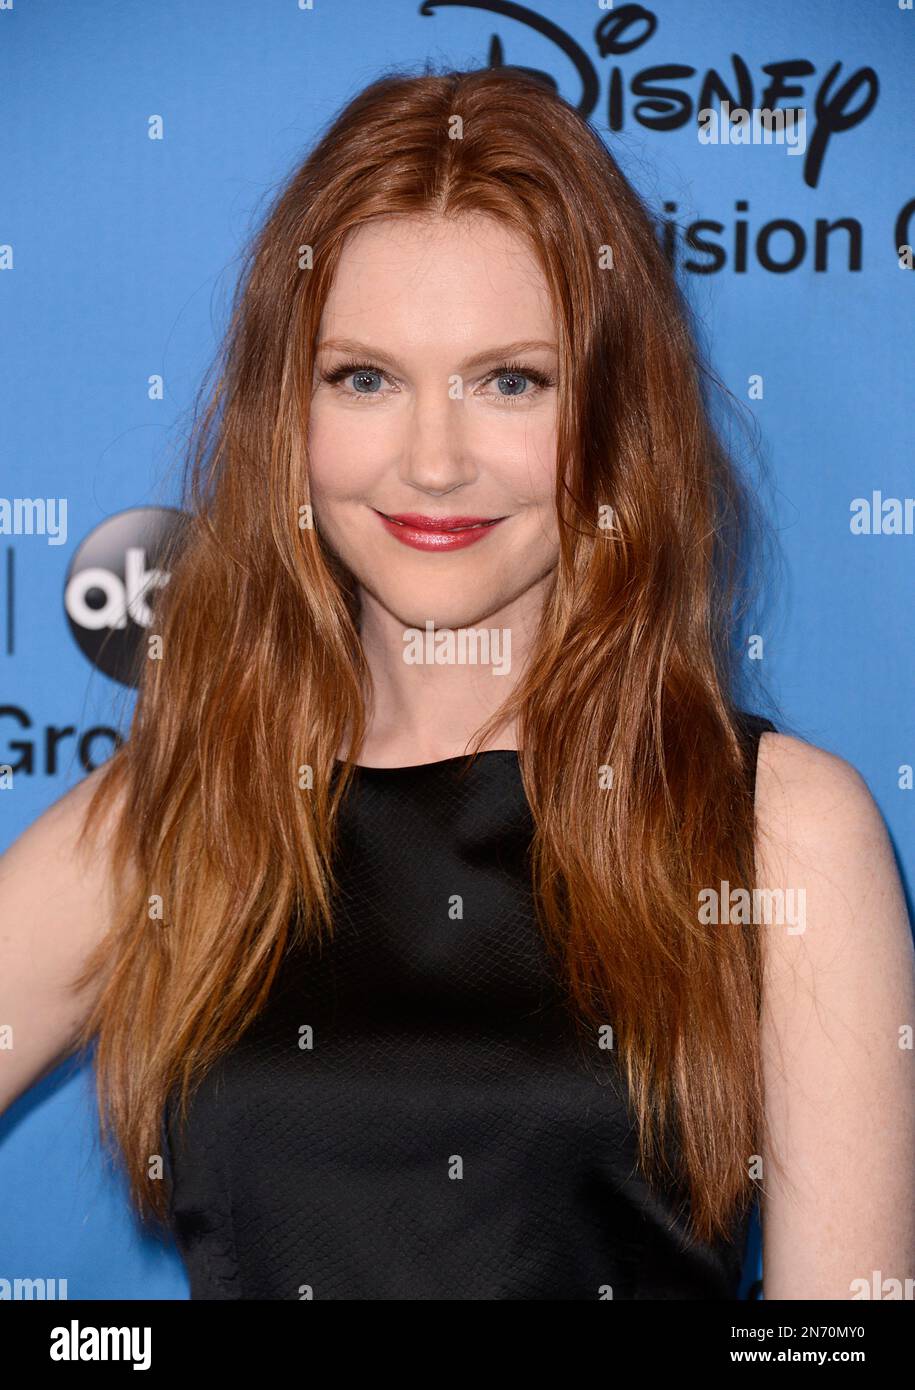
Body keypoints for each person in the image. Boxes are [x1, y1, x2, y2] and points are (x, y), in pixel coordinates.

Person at [1, 67, 912, 1301]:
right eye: (364, 379)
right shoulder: (177, 818)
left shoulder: (777, 830)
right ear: (290, 418)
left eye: (510, 381)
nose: (433, 461)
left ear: (613, 415)